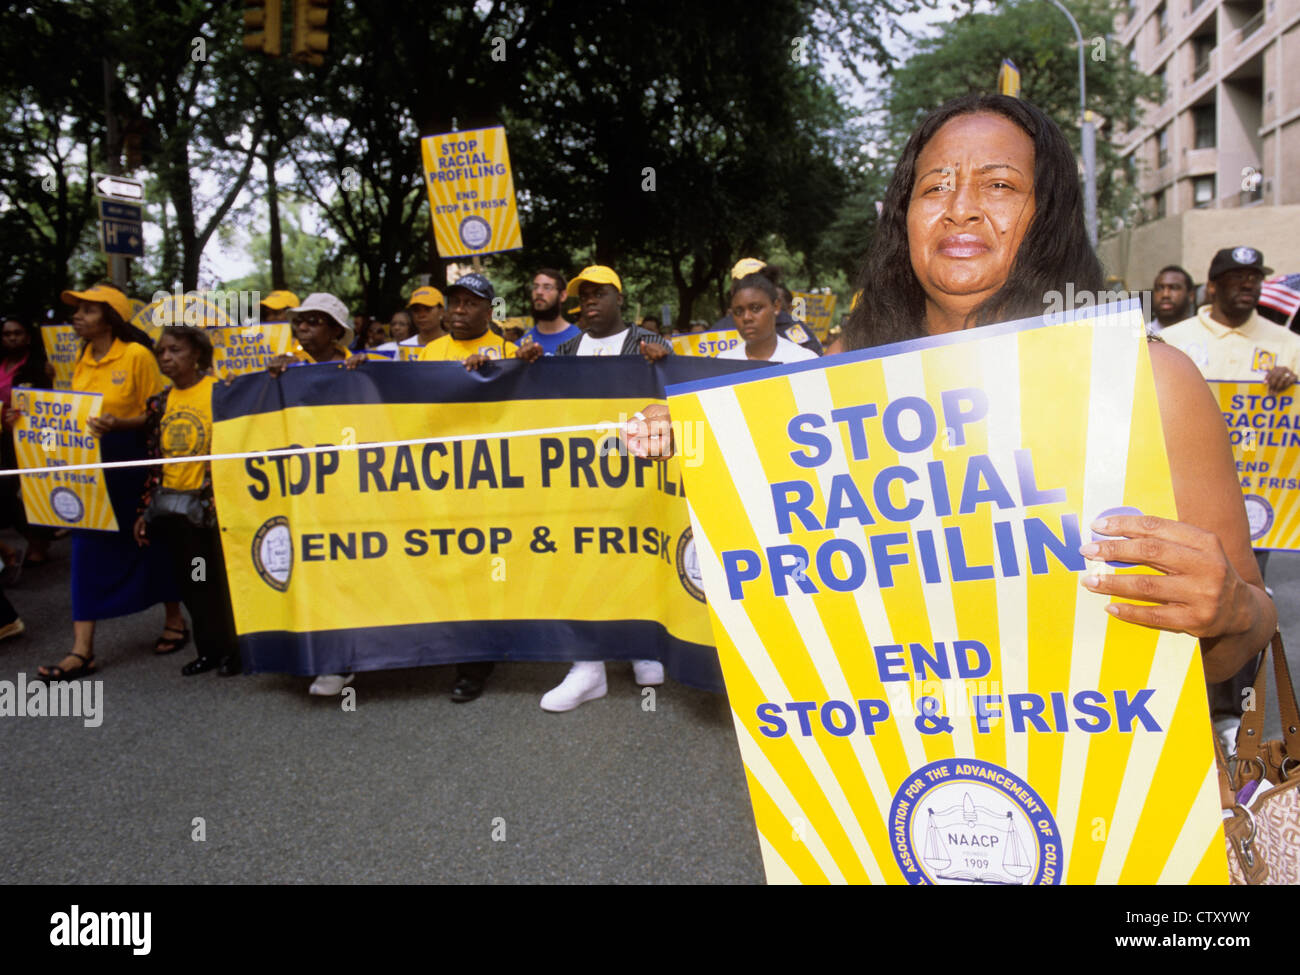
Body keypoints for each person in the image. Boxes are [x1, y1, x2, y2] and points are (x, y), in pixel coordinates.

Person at [629, 94, 1275, 705]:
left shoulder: (1153, 381)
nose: (959, 208)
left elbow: (1239, 643)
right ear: (903, 219)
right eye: (934, 186)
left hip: (1102, 785)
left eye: (998, 185)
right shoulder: (837, 385)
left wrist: (1232, 612)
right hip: (882, 775)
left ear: (1047, 213)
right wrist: (707, 445)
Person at [1158, 245, 1297, 750]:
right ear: (1211, 286)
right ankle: (1184, 706)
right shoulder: (1171, 343)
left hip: (1261, 498)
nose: (1248, 285)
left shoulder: (1287, 343)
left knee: (1241, 597)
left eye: (1254, 277)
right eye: (1235, 277)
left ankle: (1232, 711)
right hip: (1181, 496)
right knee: (1181, 600)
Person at [35, 285, 184, 680]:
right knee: (86, 545)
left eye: (87, 310)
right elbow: (72, 412)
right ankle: (82, 650)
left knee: (147, 539)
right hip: (90, 464)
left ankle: (175, 619)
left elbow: (159, 411)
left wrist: (120, 424)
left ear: (110, 317)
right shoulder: (81, 358)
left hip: (130, 458)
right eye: (77, 310)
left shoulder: (136, 355)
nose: (77, 317)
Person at [542, 265, 671, 712]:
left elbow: (674, 398)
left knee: (635, 558)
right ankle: (588, 666)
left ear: (620, 297)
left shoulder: (649, 345)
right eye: (584, 296)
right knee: (584, 564)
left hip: (635, 478)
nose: (589, 302)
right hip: (581, 480)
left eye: (599, 294)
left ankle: (641, 645)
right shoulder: (566, 350)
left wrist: (664, 363)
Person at [134, 326, 239, 676]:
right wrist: (144, 509)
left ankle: (234, 651)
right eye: (161, 351)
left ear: (197, 354)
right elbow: (153, 458)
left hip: (212, 510)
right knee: (194, 583)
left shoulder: (222, 393)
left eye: (175, 350)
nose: (166, 357)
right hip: (173, 511)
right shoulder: (160, 402)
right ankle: (208, 650)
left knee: (221, 583)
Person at [0, 314, 53, 571]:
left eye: (17, 333)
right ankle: (31, 537)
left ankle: (39, 542)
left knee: (33, 488)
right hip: (3, 438)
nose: (12, 338)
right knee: (7, 491)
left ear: (28, 338)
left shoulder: (38, 367)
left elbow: (49, 403)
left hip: (31, 437)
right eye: (7, 334)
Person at [720, 269, 820, 364]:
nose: (746, 317)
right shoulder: (722, 364)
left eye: (755, 308)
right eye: (738, 311)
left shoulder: (803, 360)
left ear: (776, 307)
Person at [419, 274, 518, 363]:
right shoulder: (429, 352)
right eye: (455, 302)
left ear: (488, 314)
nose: (459, 310)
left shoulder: (508, 353)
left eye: (470, 303)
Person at [267, 293, 354, 374]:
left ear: (335, 331)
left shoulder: (356, 365)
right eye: (298, 321)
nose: (302, 327)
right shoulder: (292, 362)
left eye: (313, 321)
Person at [521, 269, 580, 354]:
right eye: (535, 287)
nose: (539, 292)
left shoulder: (579, 339)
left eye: (547, 287)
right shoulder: (522, 345)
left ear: (563, 296)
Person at [398, 286, 446, 359]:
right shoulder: (404, 347)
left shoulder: (455, 344)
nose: (421, 315)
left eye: (428, 309)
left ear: (441, 311)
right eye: (416, 310)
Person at [1148, 266, 1195, 335]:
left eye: (1174, 288)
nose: (1165, 295)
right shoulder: (1139, 337)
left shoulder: (1201, 333)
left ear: (1191, 296)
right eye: (1159, 288)